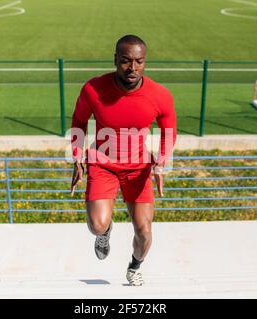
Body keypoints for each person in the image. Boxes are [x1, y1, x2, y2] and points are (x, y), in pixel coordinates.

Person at [69, 35, 177, 286]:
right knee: (96, 225)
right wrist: (77, 158)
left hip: (138, 168)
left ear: (145, 62)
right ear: (115, 60)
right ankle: (105, 233)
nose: (133, 68)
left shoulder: (160, 95)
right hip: (102, 162)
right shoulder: (94, 89)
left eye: (139, 61)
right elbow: (78, 121)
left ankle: (134, 266)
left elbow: (169, 130)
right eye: (126, 61)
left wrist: (161, 162)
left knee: (144, 232)